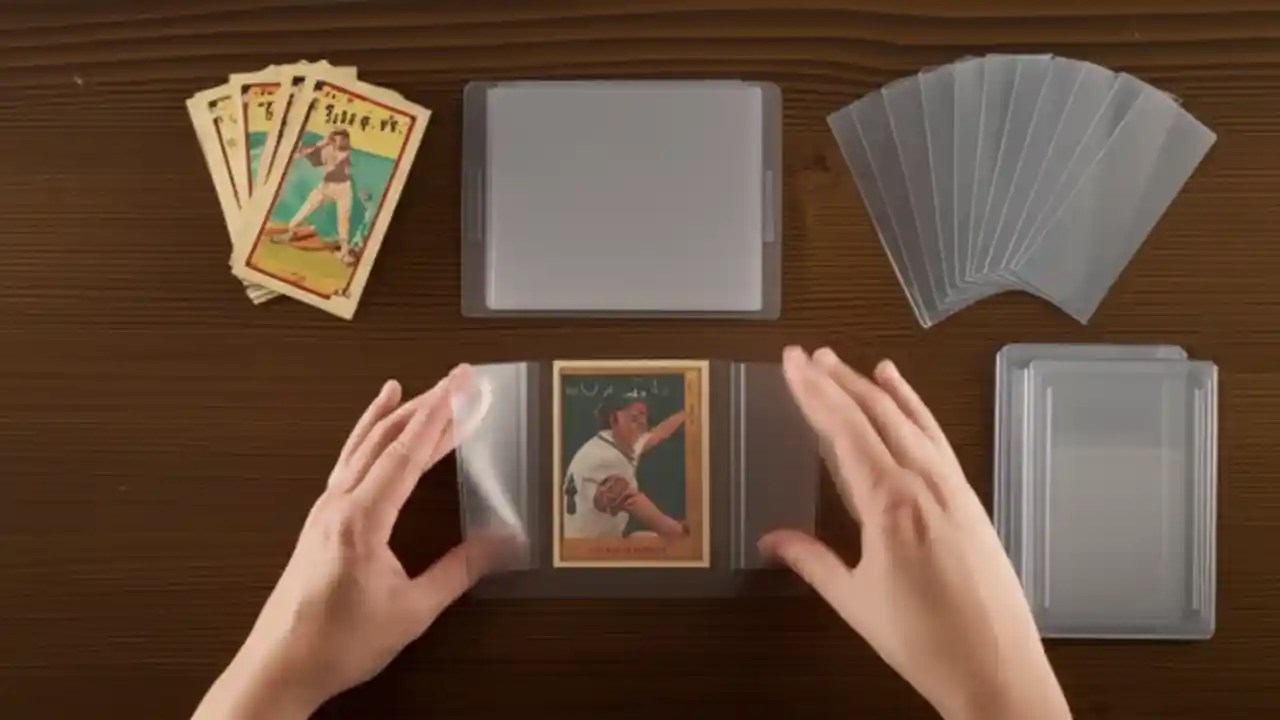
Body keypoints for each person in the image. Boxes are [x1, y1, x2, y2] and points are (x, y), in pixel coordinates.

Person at [191, 348, 1072, 720]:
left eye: (646, 408)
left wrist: (265, 688)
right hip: (605, 518)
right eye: (637, 404)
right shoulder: (594, 459)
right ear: (612, 411)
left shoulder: (623, 437)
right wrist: (1006, 694)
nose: (642, 412)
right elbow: (635, 496)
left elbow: (651, 444)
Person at [562, 393, 688, 540]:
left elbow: (657, 434)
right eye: (634, 418)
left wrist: (690, 412)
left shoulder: (613, 443)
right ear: (613, 419)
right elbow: (635, 503)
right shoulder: (605, 459)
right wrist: (680, 531)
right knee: (670, 542)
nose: (642, 423)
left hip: (599, 537)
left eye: (644, 417)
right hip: (588, 549)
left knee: (646, 537)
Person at [282, 128, 358, 265]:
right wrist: (320, 144)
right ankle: (291, 229)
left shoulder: (348, 152)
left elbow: (340, 159)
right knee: (307, 206)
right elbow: (312, 160)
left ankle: (345, 253)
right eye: (336, 138)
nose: (338, 140)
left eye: (341, 138)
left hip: (344, 189)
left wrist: (325, 144)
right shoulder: (328, 149)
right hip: (326, 186)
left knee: (343, 221)